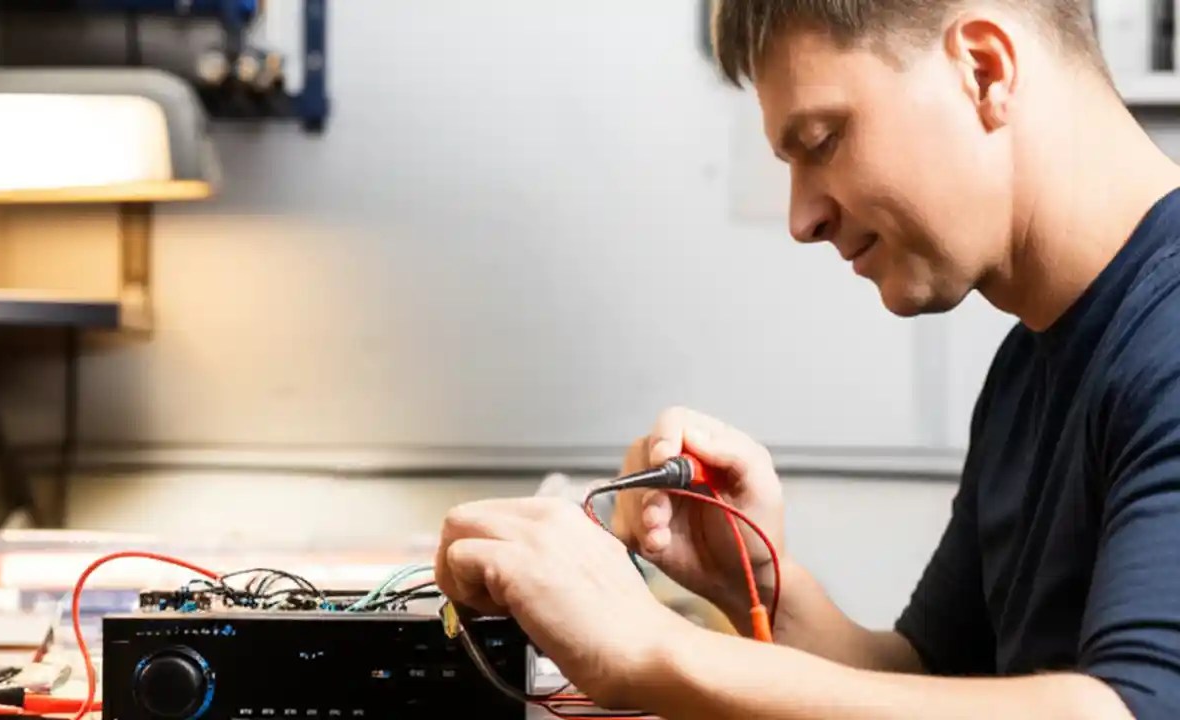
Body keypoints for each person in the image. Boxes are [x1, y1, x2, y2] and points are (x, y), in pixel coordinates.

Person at [434, 0, 1180, 717]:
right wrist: (760, 586)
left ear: (983, 71)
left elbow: (1137, 710)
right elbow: (927, 676)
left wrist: (652, 650)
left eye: (822, 141)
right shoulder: (1030, 363)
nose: (802, 218)